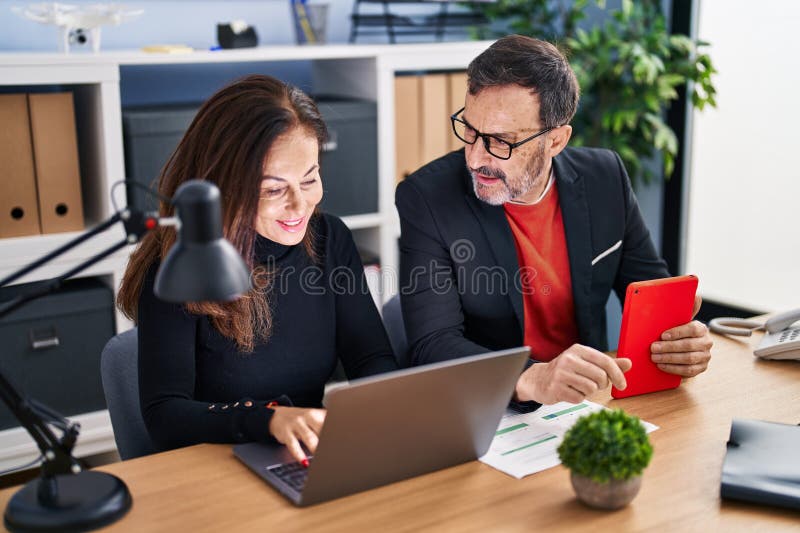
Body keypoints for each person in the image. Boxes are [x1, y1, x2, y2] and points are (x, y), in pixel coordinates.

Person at [395, 35, 713, 408]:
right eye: (469, 130)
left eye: (502, 141)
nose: (476, 157)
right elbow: (433, 344)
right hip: (488, 408)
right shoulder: (427, 197)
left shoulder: (605, 177)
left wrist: (679, 339)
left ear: (557, 141)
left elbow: (651, 292)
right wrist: (528, 378)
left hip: (587, 400)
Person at [117, 75, 398, 464]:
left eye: (310, 178)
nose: (300, 205)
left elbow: (371, 358)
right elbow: (165, 414)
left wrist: (395, 413)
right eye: (273, 189)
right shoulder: (184, 265)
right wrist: (268, 420)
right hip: (216, 467)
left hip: (306, 459)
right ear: (223, 186)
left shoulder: (330, 239)